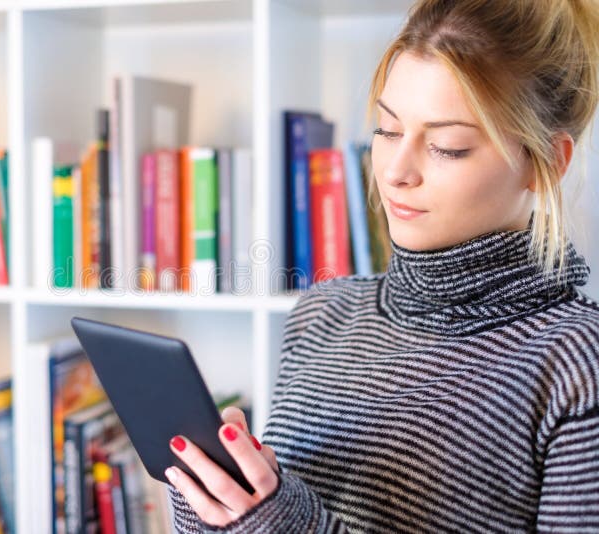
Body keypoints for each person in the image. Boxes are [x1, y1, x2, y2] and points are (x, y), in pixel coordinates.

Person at [163, 0, 599, 532]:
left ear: (547, 162)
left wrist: (287, 525)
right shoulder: (322, 312)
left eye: (447, 146)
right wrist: (219, 505)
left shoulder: (578, 366)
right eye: (388, 130)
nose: (394, 171)